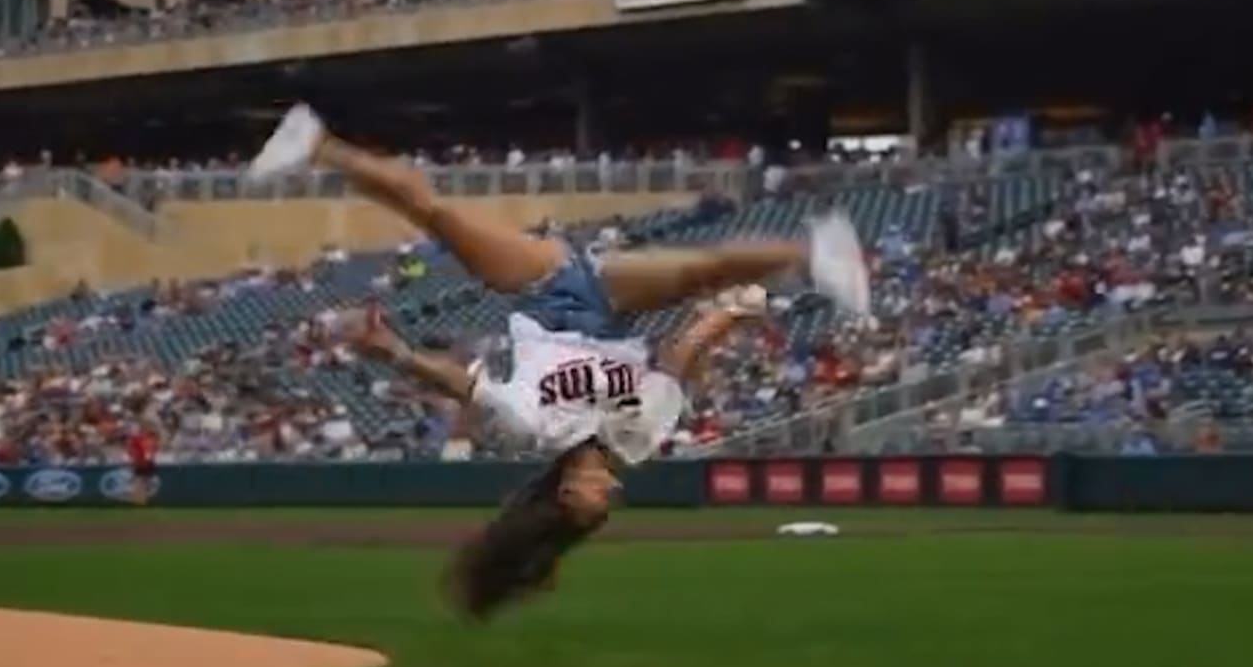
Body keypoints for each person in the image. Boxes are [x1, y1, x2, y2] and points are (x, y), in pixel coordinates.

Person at [246, 104, 869, 618]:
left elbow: (465, 384)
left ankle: (317, 144)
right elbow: (679, 359)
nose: (614, 489)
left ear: (568, 492)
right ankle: (813, 250)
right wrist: (730, 316)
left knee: (435, 214)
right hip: (605, 298)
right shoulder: (637, 437)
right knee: (699, 273)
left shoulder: (531, 430)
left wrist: (398, 353)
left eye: (600, 497)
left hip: (542, 290)